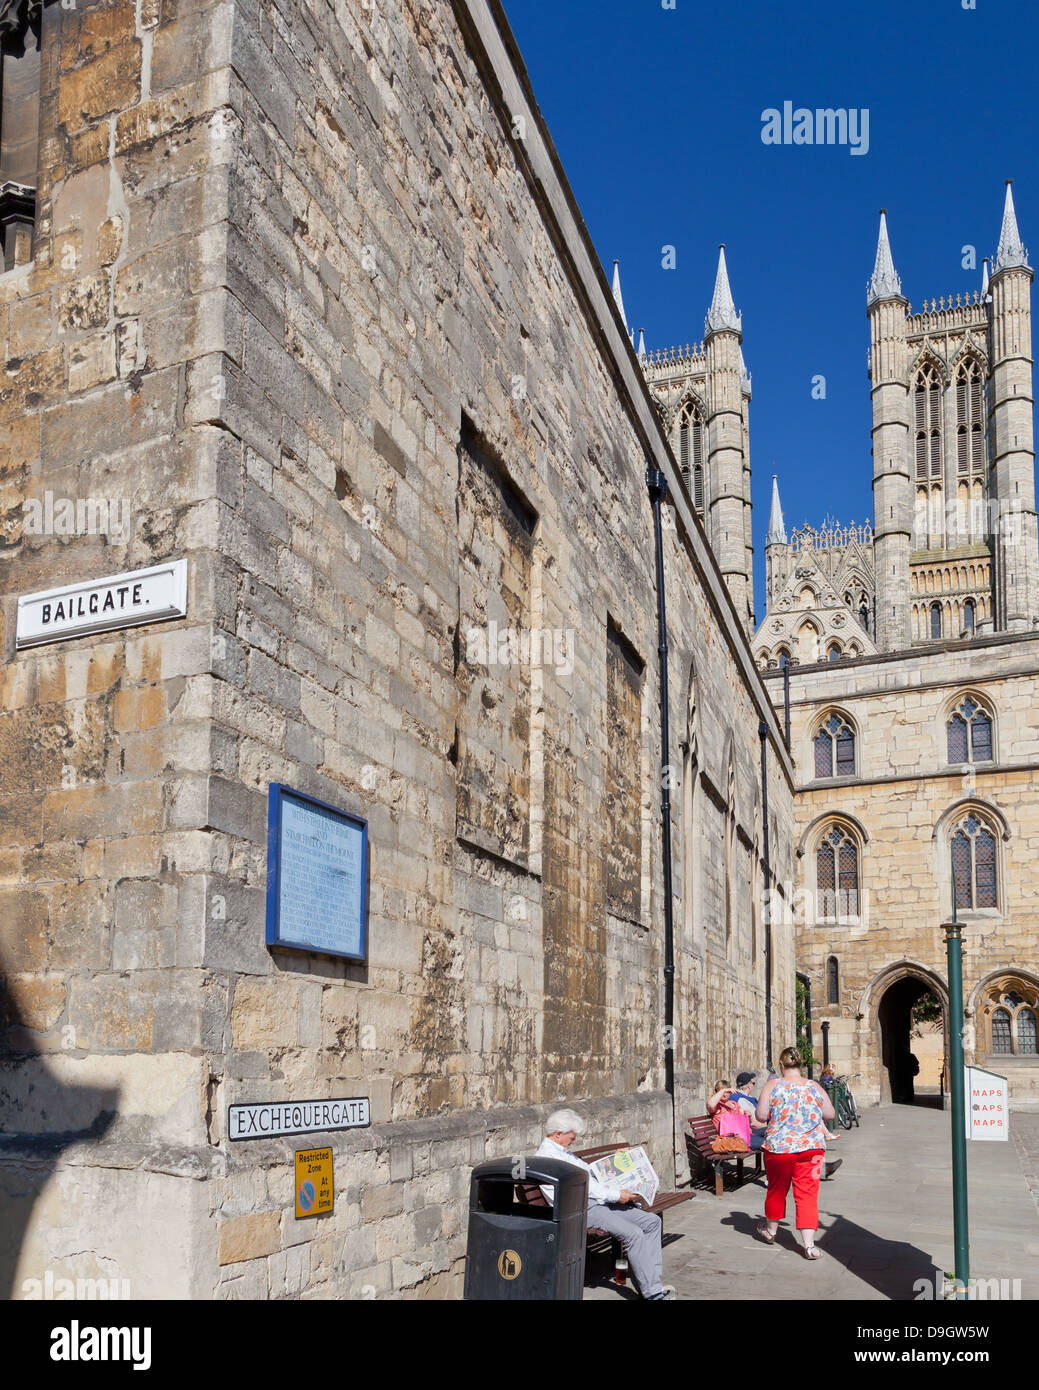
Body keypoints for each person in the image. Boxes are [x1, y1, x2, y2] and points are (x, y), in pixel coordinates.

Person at [535, 1109, 675, 1300]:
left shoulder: (562, 1152)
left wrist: (615, 1161)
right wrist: (616, 1196)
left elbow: (591, 1173)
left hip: (598, 1202)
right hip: (580, 1208)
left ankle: (651, 1279)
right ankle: (653, 1292)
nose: (574, 1142)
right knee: (633, 1234)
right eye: (572, 1137)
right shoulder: (548, 1158)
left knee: (652, 1222)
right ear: (558, 1134)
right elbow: (584, 1187)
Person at [755, 1047, 838, 1259]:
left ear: (781, 1066)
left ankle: (771, 1231)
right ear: (801, 1066)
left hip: (779, 1149)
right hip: (811, 1149)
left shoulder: (773, 1085)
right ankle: (809, 1246)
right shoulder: (814, 1086)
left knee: (776, 1190)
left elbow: (761, 1115)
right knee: (808, 1196)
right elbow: (830, 1113)